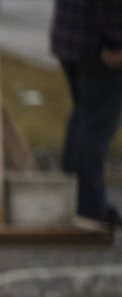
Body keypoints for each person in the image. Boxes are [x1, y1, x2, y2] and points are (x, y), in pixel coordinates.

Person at [52, 0, 122, 224]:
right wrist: (115, 42)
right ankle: (88, 206)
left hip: (71, 36)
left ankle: (70, 197)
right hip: (97, 45)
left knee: (82, 119)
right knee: (95, 126)